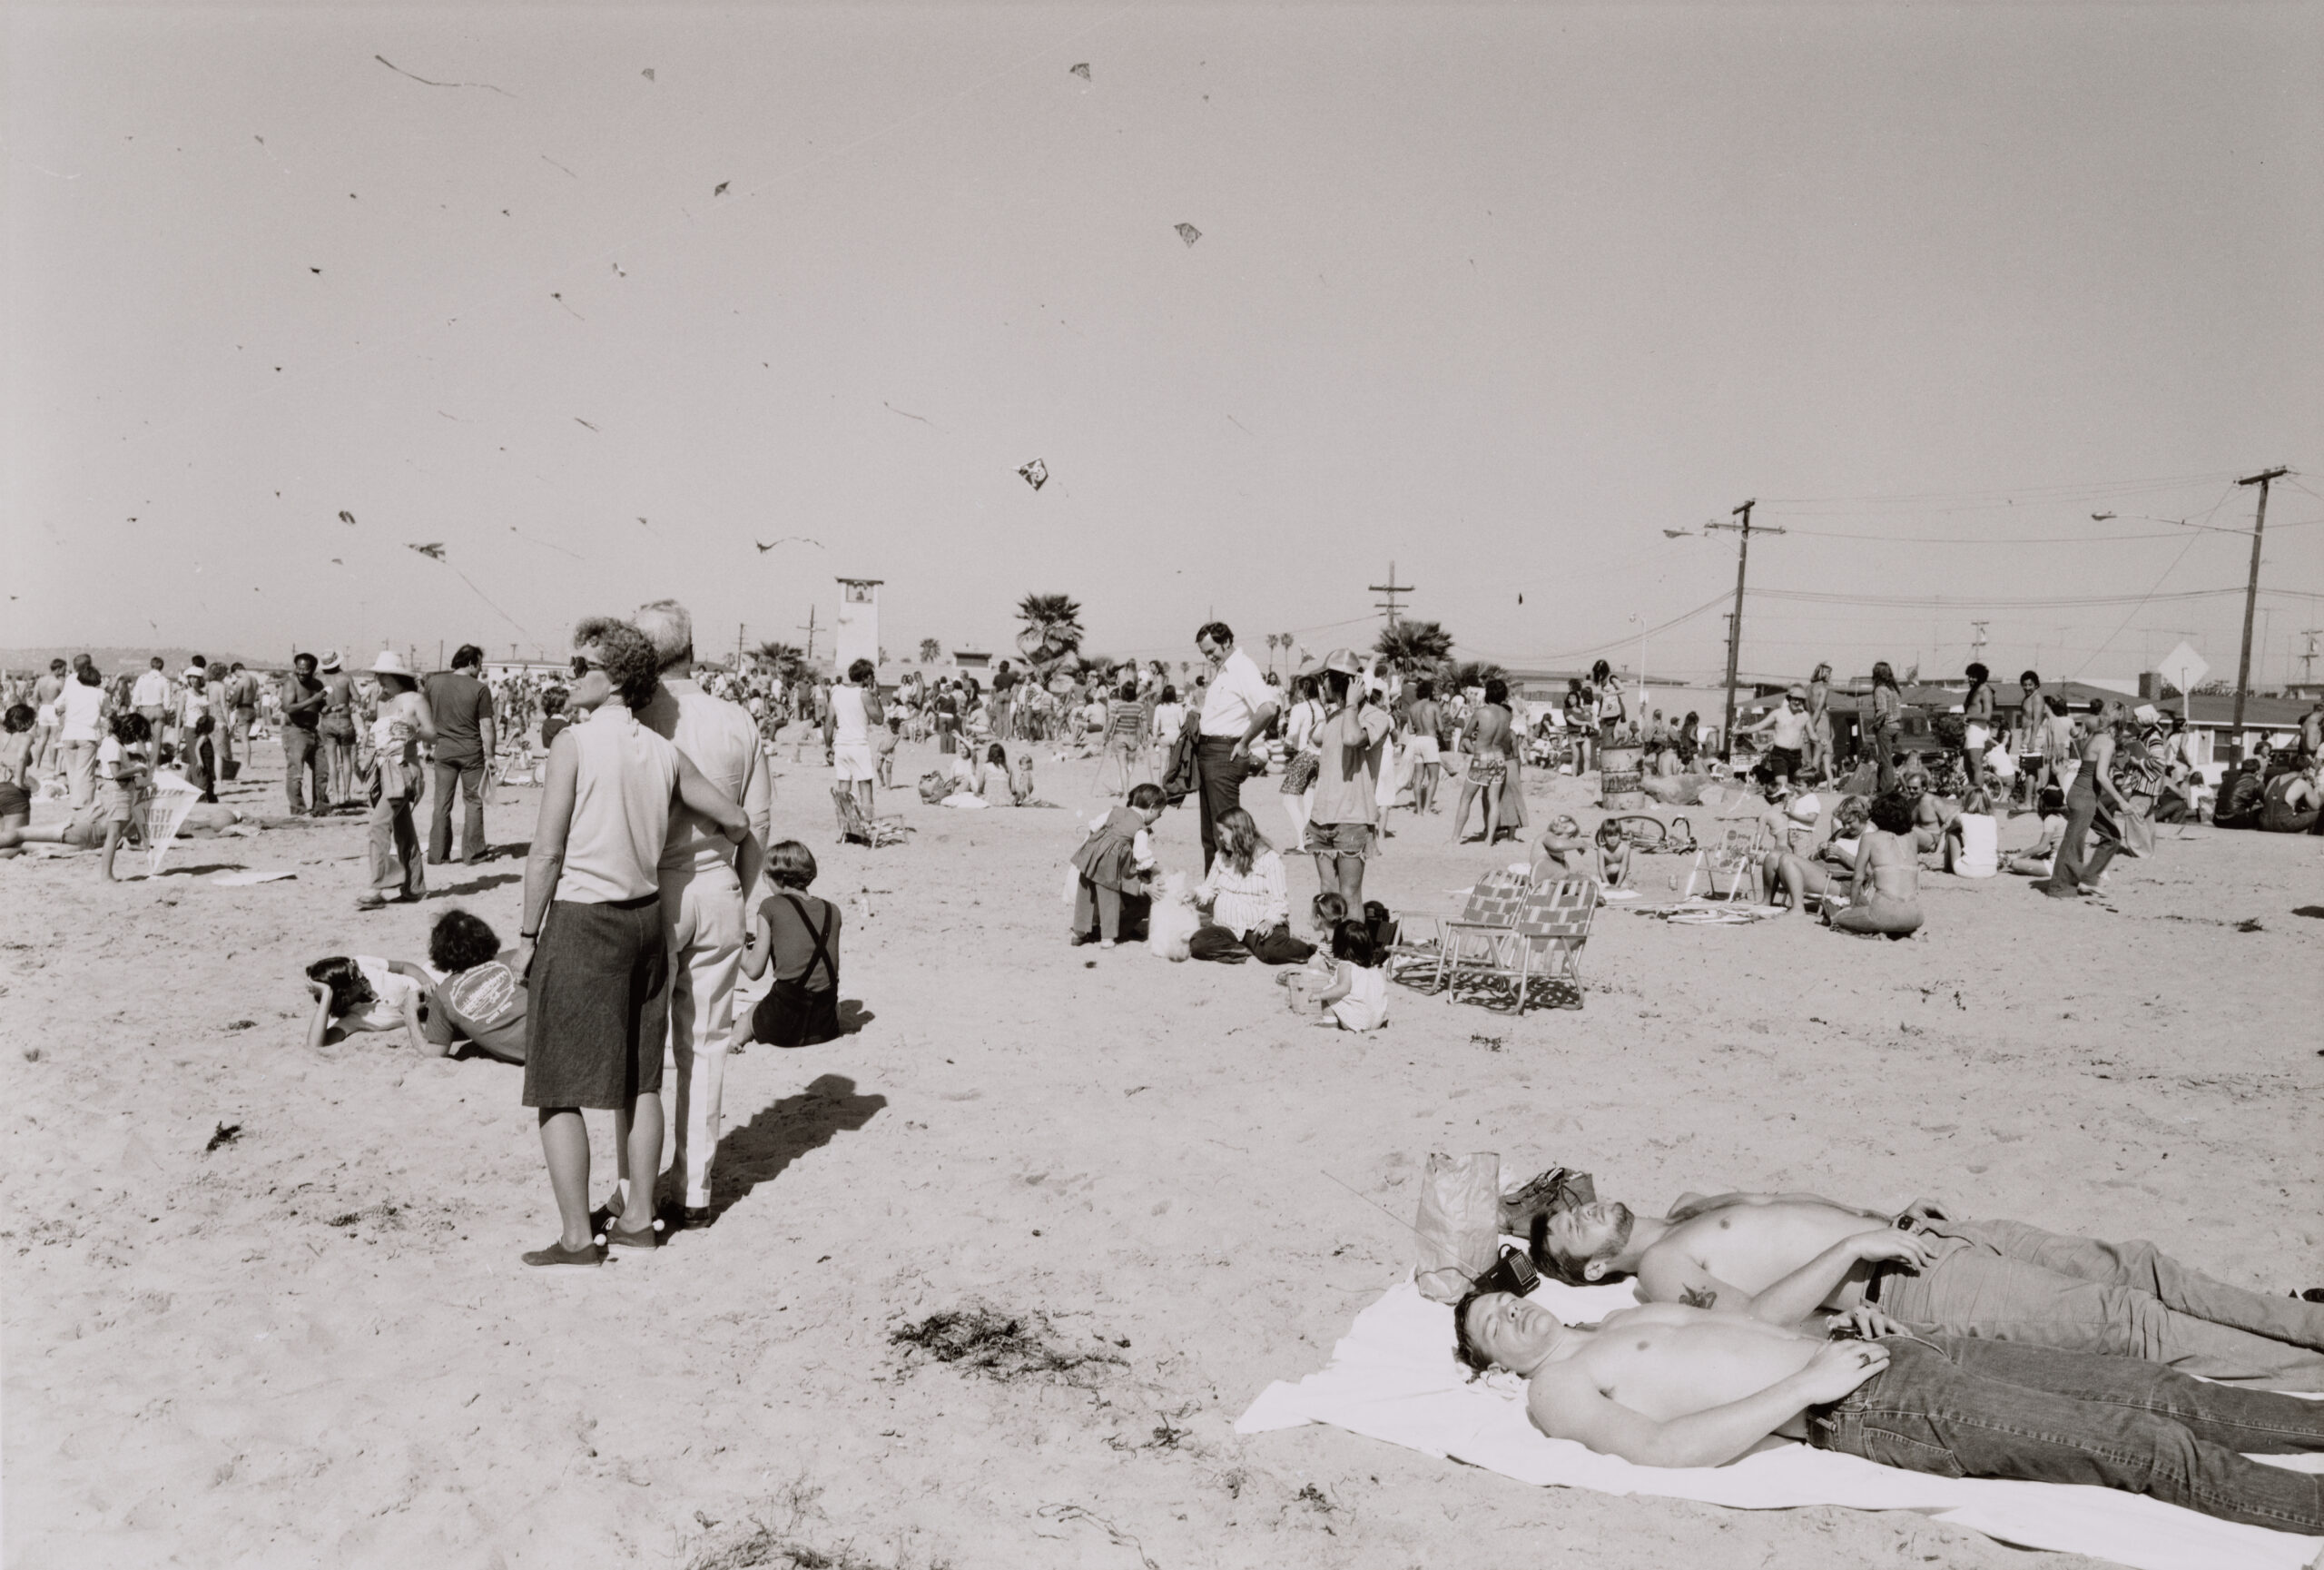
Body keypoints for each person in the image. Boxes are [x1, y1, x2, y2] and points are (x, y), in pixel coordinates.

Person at [1453, 1288, 2324, 1533]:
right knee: (2146, 1442)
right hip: (1871, 1403)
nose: (1509, 1314)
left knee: (2153, 1387)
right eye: (1492, 1329)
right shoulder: (1556, 1388)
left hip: (1885, 1348)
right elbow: (1660, 1449)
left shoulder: (1616, 1316)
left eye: (1502, 1301)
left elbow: (1752, 1325)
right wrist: (1805, 1387)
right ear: (1493, 1366)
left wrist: (1834, 1322)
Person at [1531, 1188, 2324, 1388]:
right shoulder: (1664, 1275)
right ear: (1594, 1268)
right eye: (1572, 1229)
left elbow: (1795, 1215)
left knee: (2143, 1266)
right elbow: (1757, 1321)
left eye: (1572, 1208)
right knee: (2129, 1321)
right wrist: (1856, 1244)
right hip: (1907, 1284)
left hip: (1925, 1234)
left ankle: (2305, 1325)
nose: (1583, 1210)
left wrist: (1885, 1211)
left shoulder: (1685, 1209)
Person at [517, 617, 752, 1266]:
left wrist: (526, 935)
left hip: (586, 916)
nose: (568, 677)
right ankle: (640, 1220)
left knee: (558, 1087)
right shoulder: (663, 750)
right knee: (641, 1081)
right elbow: (734, 818)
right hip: (648, 918)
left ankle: (574, 1238)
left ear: (615, 678)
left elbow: (546, 851)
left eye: (578, 666)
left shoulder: (574, 743)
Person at [631, 601, 771, 1227]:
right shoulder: (736, 718)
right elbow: (757, 826)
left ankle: (634, 1185)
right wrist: (736, 893)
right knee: (706, 1043)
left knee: (638, 1044)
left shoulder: (633, 717)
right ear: (692, 646)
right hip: (716, 881)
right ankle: (694, 1188)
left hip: (643, 885)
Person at [1305, 650, 1392, 911]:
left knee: (1350, 894)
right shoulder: (1334, 718)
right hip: (1321, 818)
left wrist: (1352, 703)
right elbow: (1317, 738)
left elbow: (1352, 739)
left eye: (1325, 680)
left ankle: (1351, 952)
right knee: (1328, 893)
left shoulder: (1376, 717)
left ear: (1340, 681)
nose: (1322, 686)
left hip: (1352, 819)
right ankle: (1332, 947)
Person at [737, 839, 844, 1049]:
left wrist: (736, 946)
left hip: (783, 1022)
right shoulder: (833, 910)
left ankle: (735, 1041)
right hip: (824, 1024)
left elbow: (754, 970)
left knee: (749, 1014)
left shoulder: (770, 906)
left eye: (765, 876)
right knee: (837, 1008)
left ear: (778, 877)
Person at [1192, 622, 1279, 872]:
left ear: (1227, 642)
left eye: (1211, 651)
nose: (1209, 658)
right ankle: (1214, 893)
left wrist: (1244, 742)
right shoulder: (1224, 671)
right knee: (1211, 835)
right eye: (1204, 653)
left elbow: (1268, 708)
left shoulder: (1242, 667)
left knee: (1227, 833)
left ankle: (1233, 890)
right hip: (1210, 754)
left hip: (1224, 754)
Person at [357, 651, 436, 911]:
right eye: (378, 677)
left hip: (403, 770)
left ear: (397, 676)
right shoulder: (383, 701)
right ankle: (414, 887)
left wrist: (413, 731)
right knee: (404, 832)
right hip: (383, 769)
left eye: (384, 677)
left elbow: (433, 735)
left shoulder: (415, 699)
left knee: (378, 826)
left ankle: (378, 885)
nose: (380, 682)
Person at [1187, 807, 1314, 964]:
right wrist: (1195, 894)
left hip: (1258, 925)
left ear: (1237, 832)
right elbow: (1209, 889)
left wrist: (1270, 921)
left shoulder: (1269, 860)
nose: (1219, 838)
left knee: (1272, 951)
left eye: (1222, 833)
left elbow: (1279, 901)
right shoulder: (1221, 857)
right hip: (1227, 927)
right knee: (1197, 943)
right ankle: (1242, 949)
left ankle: (1311, 951)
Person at [415, 908, 527, 1062]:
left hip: (536, 1054)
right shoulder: (518, 957)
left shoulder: (444, 995)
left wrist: (410, 1014)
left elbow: (433, 1053)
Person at [2037, 708, 2127, 899]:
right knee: (2073, 843)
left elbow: (2087, 720)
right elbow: (2101, 776)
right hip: (2084, 796)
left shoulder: (2095, 735)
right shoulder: (2107, 741)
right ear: (2119, 724)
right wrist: (2121, 801)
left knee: (2112, 836)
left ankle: (2088, 879)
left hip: (2083, 794)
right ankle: (2059, 887)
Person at [423, 644, 497, 865]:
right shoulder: (480, 689)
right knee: (473, 801)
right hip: (470, 751)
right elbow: (487, 726)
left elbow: (424, 718)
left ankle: (437, 854)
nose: (481, 669)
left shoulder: (433, 683)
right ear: (472, 663)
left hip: (443, 749)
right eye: (480, 664)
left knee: (441, 804)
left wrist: (426, 748)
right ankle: (473, 854)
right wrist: (491, 755)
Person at [1070, 782, 1164, 948]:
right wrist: (1158, 868)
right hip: (1109, 862)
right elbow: (1141, 855)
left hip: (1092, 854)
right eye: (1159, 813)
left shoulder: (1116, 810)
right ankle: (1107, 938)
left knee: (1086, 893)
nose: (1158, 817)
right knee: (1109, 896)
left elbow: (1094, 824)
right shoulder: (1141, 828)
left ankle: (1078, 932)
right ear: (1151, 807)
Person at [302, 953, 430, 1052]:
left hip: (433, 980)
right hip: (432, 1017)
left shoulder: (362, 963)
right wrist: (326, 993)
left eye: (354, 966)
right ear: (344, 995)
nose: (361, 972)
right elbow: (315, 1045)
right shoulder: (351, 1019)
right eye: (355, 975)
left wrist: (426, 981)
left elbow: (403, 966)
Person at [1451, 677, 1515, 845]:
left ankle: (1456, 838)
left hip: (1482, 757)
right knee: (1494, 800)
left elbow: (1467, 734)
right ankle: (1489, 839)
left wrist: (1472, 747)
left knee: (1466, 799)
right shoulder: (1506, 714)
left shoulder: (1481, 712)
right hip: (1499, 758)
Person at [830, 658, 880, 821]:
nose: (873, 678)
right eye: (871, 675)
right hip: (858, 745)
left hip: (841, 745)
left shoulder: (836, 692)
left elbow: (829, 721)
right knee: (865, 788)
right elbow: (879, 719)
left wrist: (826, 746)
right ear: (865, 677)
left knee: (843, 790)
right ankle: (867, 825)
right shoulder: (864, 695)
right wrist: (876, 696)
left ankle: (846, 828)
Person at [279, 653, 327, 815]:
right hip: (295, 731)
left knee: (322, 770)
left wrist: (331, 709)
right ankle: (298, 809)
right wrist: (314, 699)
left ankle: (321, 807)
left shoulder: (317, 684)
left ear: (312, 669)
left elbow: (321, 707)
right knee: (296, 773)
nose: (301, 672)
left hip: (313, 731)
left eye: (305, 669)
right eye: (298, 668)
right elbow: (288, 708)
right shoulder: (291, 684)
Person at [56, 662, 109, 808]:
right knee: (85, 772)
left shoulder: (71, 691)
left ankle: (75, 800)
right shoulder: (100, 694)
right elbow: (107, 712)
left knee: (72, 771)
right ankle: (84, 803)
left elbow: (57, 704)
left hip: (69, 733)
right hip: (88, 734)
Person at [1740, 686, 1812, 790]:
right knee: (1782, 786)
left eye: (1800, 700)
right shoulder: (1778, 713)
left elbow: (1812, 734)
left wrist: (1821, 740)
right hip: (1780, 754)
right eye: (1795, 699)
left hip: (1797, 756)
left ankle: (1787, 805)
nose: (1797, 702)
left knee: (1794, 787)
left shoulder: (1805, 715)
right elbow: (1760, 725)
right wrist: (1742, 731)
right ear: (1789, 699)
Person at [317, 651, 359, 808]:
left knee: (331, 761)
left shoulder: (319, 679)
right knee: (346, 759)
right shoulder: (346, 677)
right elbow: (357, 698)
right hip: (345, 720)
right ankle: (346, 794)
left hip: (328, 720)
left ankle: (334, 794)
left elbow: (317, 703)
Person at [1403, 678, 1445, 814]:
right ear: (1430, 692)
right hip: (1429, 740)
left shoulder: (1413, 707)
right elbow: (1441, 728)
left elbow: (1410, 730)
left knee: (1419, 777)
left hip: (1417, 740)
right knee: (1433, 777)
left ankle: (1419, 808)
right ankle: (1427, 808)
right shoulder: (1433, 705)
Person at [1942, 787, 1998, 877]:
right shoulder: (1992, 819)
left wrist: (1959, 810)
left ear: (1968, 801)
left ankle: (1947, 867)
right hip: (1991, 870)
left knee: (1952, 834)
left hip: (1969, 870)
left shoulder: (1962, 817)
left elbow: (1947, 827)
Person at [1866, 661, 1904, 794]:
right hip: (1896, 726)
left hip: (1885, 726)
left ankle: (1887, 790)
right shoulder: (1894, 690)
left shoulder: (1880, 689)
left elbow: (1882, 710)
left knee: (1885, 760)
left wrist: (1875, 725)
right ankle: (1884, 786)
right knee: (1888, 760)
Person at [1959, 662, 1994, 792]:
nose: (1971, 679)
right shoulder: (1974, 691)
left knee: (1976, 764)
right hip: (1971, 729)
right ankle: (1973, 793)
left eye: (1974, 677)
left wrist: (1969, 716)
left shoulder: (1985, 691)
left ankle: (1979, 795)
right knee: (1967, 766)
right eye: (1970, 676)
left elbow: (1987, 715)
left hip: (1978, 729)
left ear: (1981, 677)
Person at [1802, 664, 1834, 782]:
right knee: (1821, 756)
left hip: (1808, 721)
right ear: (1824, 674)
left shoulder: (1807, 689)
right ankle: (1813, 782)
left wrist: (1808, 728)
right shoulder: (1823, 689)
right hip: (1821, 722)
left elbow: (1805, 709)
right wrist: (1813, 726)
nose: (1830, 676)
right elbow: (1819, 710)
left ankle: (1808, 781)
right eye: (1829, 673)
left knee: (1810, 756)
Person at [131, 657, 171, 746]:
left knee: (141, 737)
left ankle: (142, 758)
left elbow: (136, 697)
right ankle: (155, 759)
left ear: (151, 665)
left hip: (145, 709)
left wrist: (135, 709)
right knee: (157, 739)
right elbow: (167, 701)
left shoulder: (142, 678)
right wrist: (167, 714)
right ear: (162, 667)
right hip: (159, 709)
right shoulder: (165, 681)